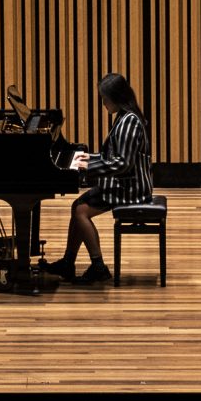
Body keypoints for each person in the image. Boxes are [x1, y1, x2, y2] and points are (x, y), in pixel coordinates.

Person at [42, 72, 152, 284]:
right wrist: (89, 158)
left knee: (80, 211)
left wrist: (88, 166)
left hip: (131, 187)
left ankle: (98, 266)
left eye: (105, 98)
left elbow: (123, 164)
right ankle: (68, 262)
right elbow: (115, 157)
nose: (103, 103)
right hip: (124, 182)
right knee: (78, 205)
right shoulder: (124, 116)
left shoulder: (129, 122)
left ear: (116, 97)